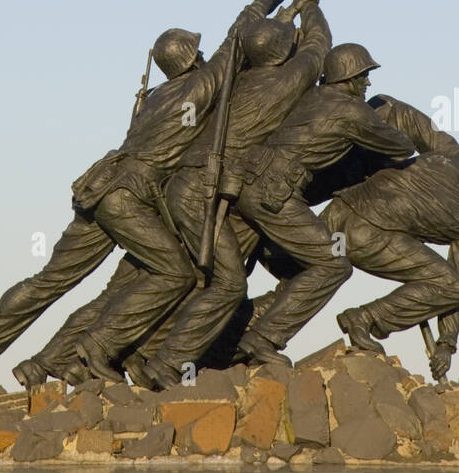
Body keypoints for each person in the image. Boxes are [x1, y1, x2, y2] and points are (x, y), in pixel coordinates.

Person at [0, 0, 291, 390]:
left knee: (51, 279)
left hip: (99, 186)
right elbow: (232, 51)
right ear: (191, 61)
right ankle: (97, 348)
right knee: (175, 274)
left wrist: (276, 24)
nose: (203, 57)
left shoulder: (156, 98)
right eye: (197, 54)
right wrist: (261, 4)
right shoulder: (197, 88)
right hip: (128, 195)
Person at [142, 38, 416, 382]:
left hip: (245, 184)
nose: (368, 84)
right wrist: (388, 116)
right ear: (348, 78)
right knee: (332, 265)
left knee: (260, 277)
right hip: (274, 192)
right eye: (364, 76)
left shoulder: (312, 97)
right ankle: (260, 340)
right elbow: (401, 146)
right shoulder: (352, 110)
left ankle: (207, 352)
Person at [325, 152, 459, 380]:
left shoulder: (442, 160)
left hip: (335, 213)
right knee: (452, 286)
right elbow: (455, 286)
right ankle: (363, 318)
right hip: (363, 235)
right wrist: (446, 344)